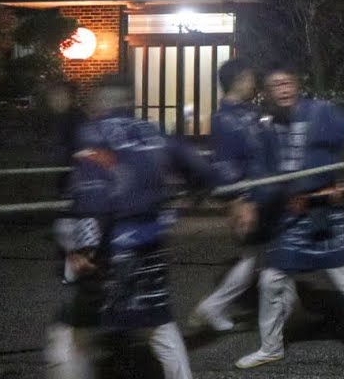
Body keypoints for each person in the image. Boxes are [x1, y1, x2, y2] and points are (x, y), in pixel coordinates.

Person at [234, 63, 344, 369]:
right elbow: (260, 168)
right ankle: (270, 346)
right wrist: (247, 199)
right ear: (268, 92)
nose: (283, 89)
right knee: (272, 279)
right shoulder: (266, 125)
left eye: (288, 82)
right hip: (291, 214)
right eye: (276, 85)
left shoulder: (321, 112)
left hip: (325, 210)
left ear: (297, 85)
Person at [47, 75, 217, 379]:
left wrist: (85, 248)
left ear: (98, 104)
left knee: (73, 328)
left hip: (111, 247)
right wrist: (193, 196)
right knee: (158, 323)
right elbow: (202, 170)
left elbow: (94, 194)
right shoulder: (153, 132)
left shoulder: (93, 134)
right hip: (150, 244)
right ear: (128, 103)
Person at [189, 58, 266, 332]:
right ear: (240, 79)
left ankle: (215, 308)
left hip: (262, 192)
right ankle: (213, 307)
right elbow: (225, 164)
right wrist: (238, 200)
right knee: (257, 257)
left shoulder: (249, 113)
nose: (254, 83)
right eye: (249, 78)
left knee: (261, 258)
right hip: (250, 197)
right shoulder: (225, 118)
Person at [44, 79, 87, 195]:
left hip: (71, 169)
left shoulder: (77, 118)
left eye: (60, 95)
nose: (56, 99)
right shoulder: (50, 117)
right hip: (59, 168)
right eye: (53, 95)